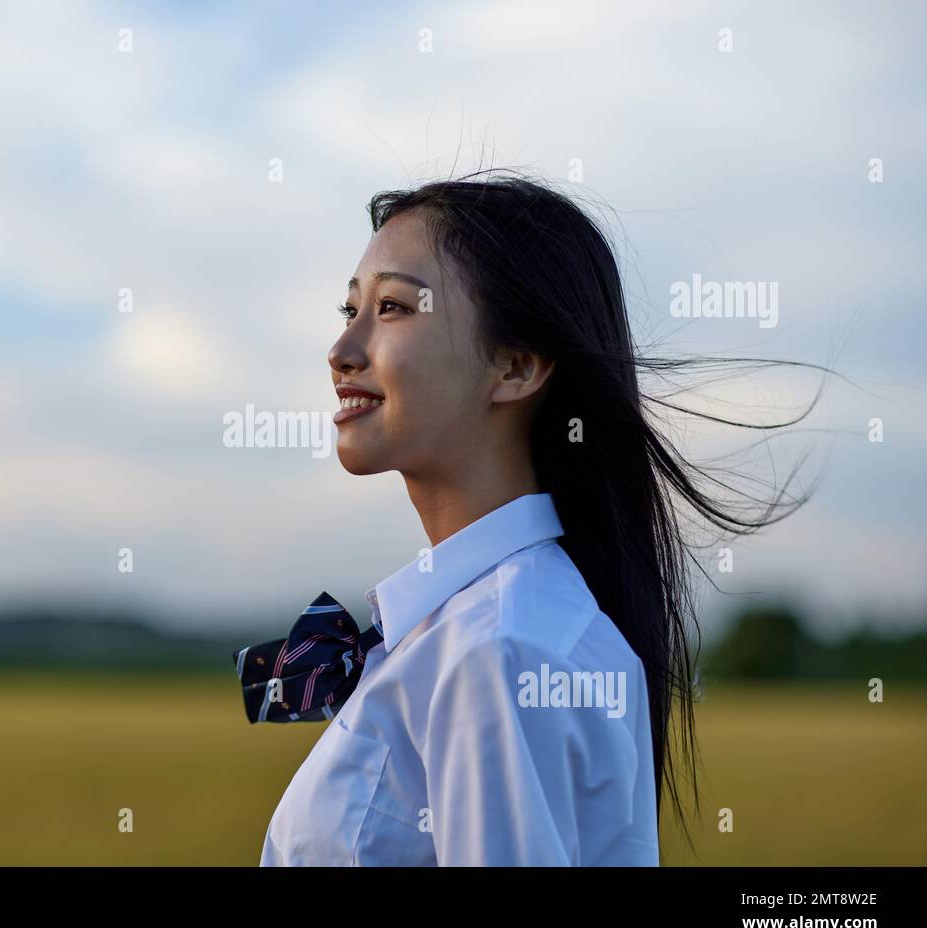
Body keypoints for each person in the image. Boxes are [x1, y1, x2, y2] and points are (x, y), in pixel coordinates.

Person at [258, 170, 816, 866]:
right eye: (350, 311)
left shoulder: (497, 651)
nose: (341, 351)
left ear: (516, 367)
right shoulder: (494, 627)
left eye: (394, 307)